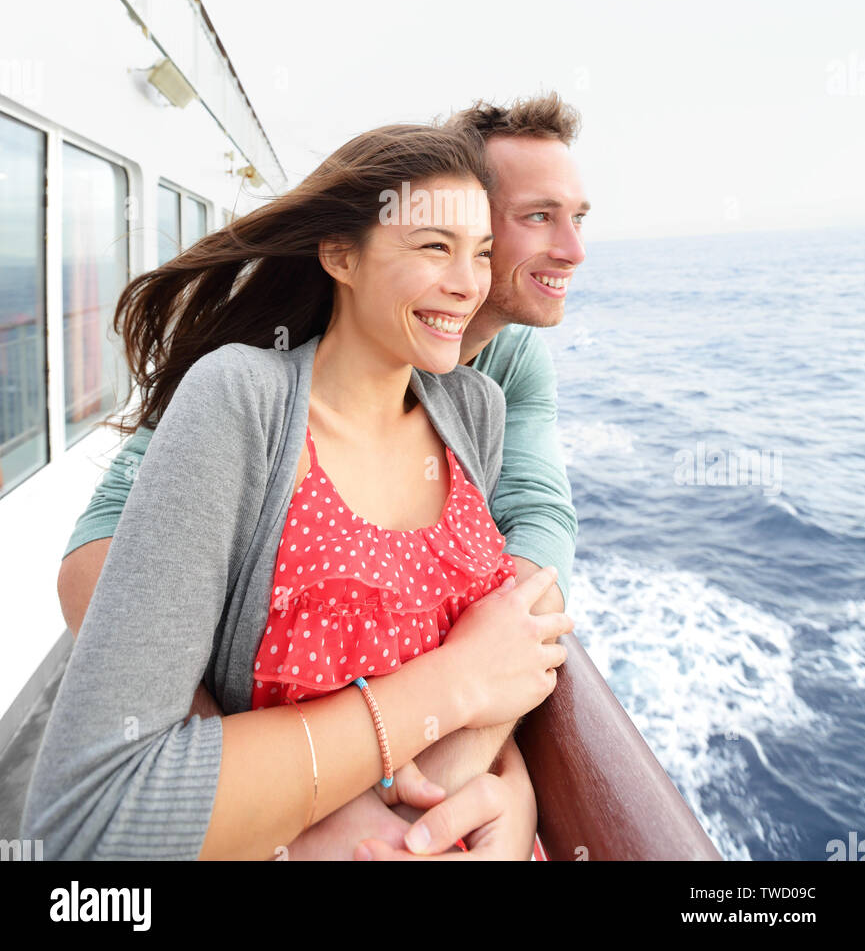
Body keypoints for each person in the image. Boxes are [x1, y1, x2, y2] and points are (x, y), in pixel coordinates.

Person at [56, 91, 590, 858]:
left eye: (475, 248)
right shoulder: (248, 384)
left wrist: (487, 778)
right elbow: (107, 550)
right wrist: (278, 799)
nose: (569, 248)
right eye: (536, 216)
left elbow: (536, 542)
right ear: (343, 255)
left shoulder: (481, 401)